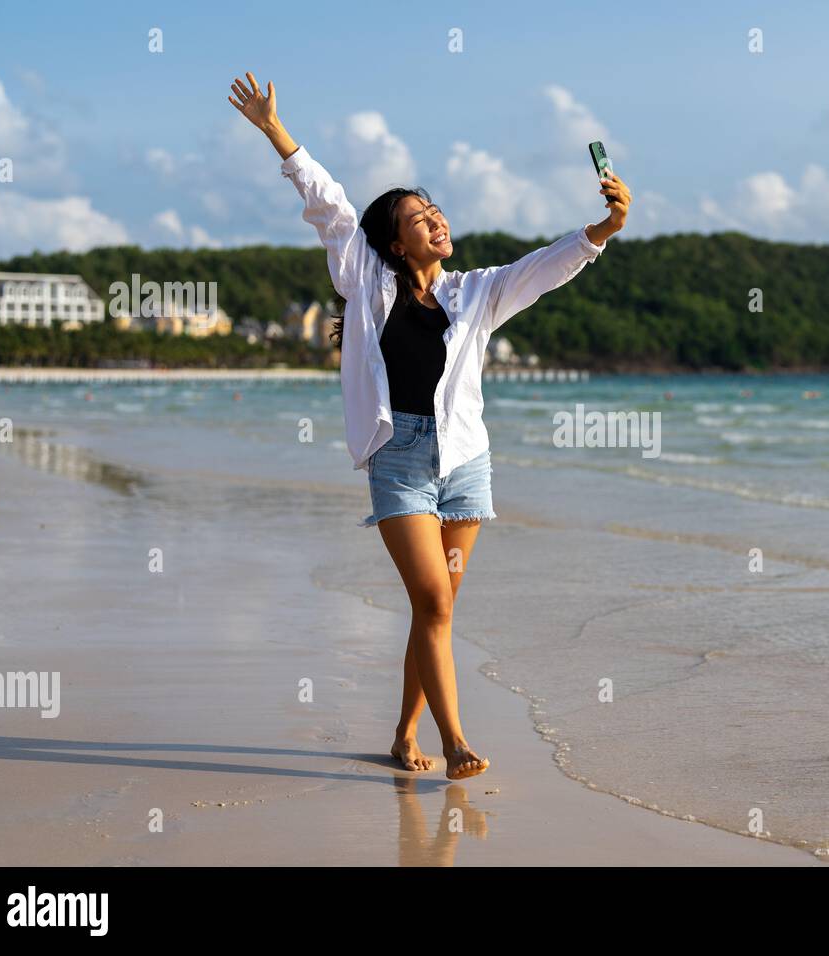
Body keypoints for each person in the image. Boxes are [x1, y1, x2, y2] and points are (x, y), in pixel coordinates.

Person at [229, 71, 631, 780]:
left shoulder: (475, 291)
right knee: (435, 601)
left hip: (466, 465)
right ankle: (454, 743)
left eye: (437, 211)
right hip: (401, 462)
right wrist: (275, 132)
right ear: (393, 241)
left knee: (433, 609)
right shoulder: (366, 279)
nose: (435, 220)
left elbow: (545, 268)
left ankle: (403, 734)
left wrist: (603, 231)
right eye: (419, 218)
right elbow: (327, 204)